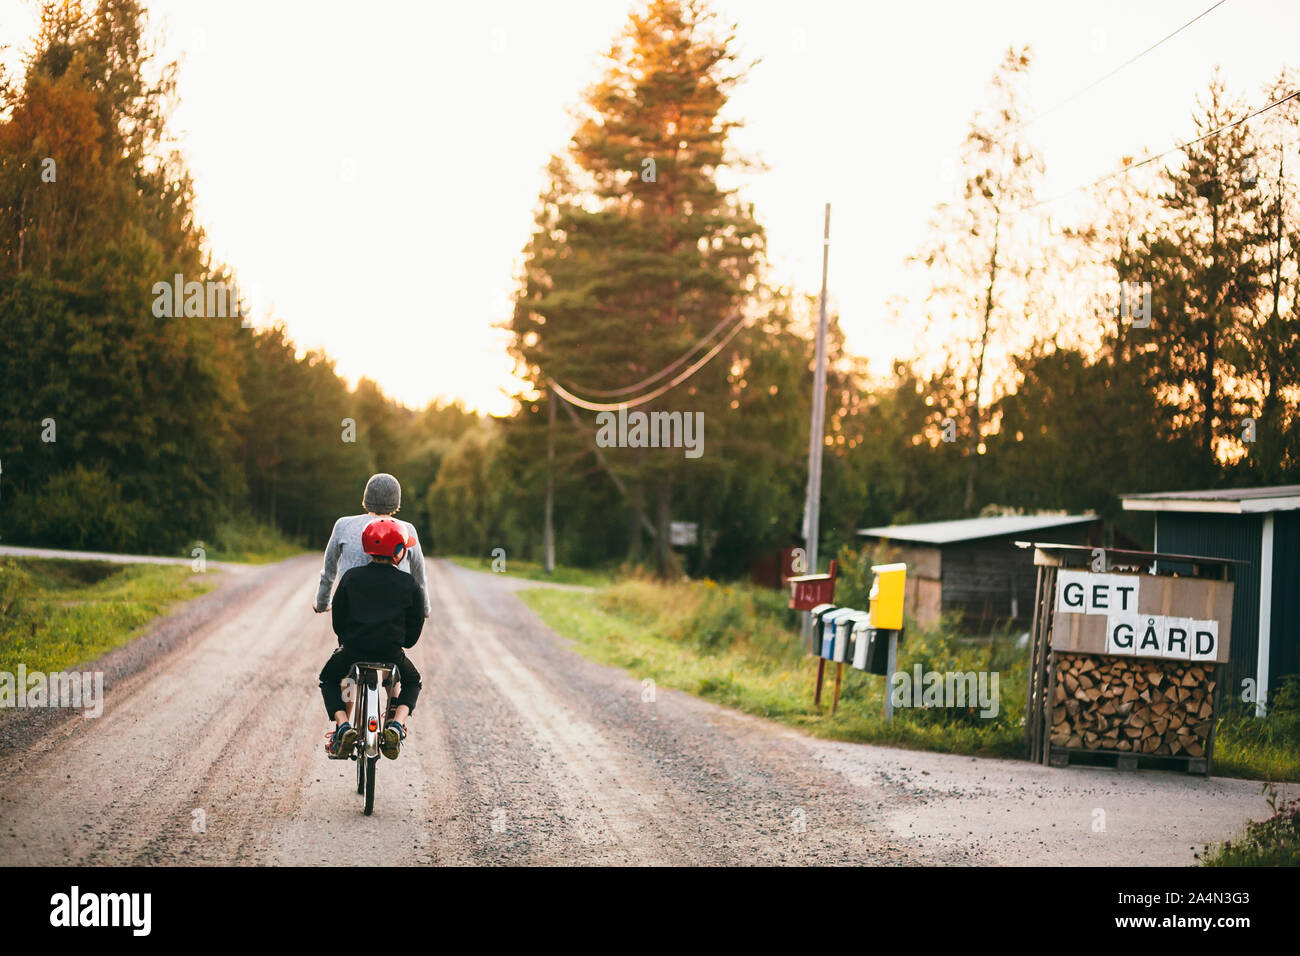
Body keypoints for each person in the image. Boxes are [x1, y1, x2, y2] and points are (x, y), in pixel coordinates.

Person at [321, 517, 424, 760]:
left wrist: (348, 639)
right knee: (413, 681)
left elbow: (338, 621)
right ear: (398, 551)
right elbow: (415, 627)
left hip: (354, 651)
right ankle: (396, 726)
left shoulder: (352, 577)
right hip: (390, 654)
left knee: (328, 679)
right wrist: (402, 642)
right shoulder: (408, 583)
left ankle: (343, 727)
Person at [314, 473, 431, 620]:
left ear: (366, 498)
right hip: (394, 613)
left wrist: (322, 603)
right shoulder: (407, 529)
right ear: (396, 501)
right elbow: (418, 575)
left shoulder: (343, 525)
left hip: (353, 610)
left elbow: (329, 570)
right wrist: (424, 609)